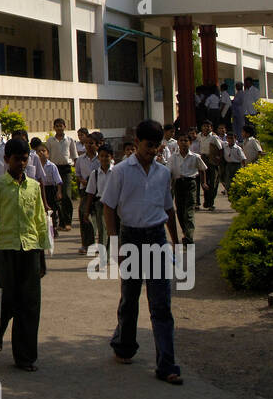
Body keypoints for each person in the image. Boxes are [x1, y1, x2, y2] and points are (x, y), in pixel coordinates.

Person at [102, 119, 182, 384]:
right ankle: (124, 345)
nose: (152, 151)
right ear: (137, 143)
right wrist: (115, 244)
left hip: (157, 237)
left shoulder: (162, 173)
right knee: (130, 298)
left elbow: (169, 209)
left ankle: (167, 365)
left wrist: (176, 241)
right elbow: (109, 208)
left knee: (161, 303)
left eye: (156, 147)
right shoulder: (121, 171)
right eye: (148, 146)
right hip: (131, 238)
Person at [0, 138, 51, 371]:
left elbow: (40, 221)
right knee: (8, 300)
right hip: (6, 250)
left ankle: (25, 357)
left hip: (30, 250)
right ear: (6, 160)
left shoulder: (33, 187)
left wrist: (42, 253)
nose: (21, 163)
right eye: (17, 159)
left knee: (30, 304)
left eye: (25, 159)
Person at [168, 133, 207, 245]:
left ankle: (189, 237)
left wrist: (203, 183)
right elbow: (169, 173)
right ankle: (186, 232)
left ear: (190, 143)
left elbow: (202, 169)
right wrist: (169, 186)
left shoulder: (195, 157)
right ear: (178, 143)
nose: (184, 143)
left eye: (186, 141)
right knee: (180, 211)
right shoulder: (173, 158)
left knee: (189, 211)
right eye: (181, 140)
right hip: (178, 184)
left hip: (191, 184)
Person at [46, 118, 79, 231]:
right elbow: (47, 157)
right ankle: (60, 223)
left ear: (65, 127)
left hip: (66, 170)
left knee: (66, 196)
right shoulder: (50, 141)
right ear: (54, 127)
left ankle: (68, 222)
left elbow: (74, 157)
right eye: (57, 126)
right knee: (56, 197)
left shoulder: (69, 140)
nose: (59, 128)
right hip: (54, 169)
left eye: (61, 126)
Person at [85, 143, 116, 256]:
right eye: (101, 156)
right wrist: (87, 210)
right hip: (100, 204)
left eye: (106, 156)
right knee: (102, 230)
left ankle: (111, 254)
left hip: (114, 205)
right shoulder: (95, 174)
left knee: (112, 231)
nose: (104, 159)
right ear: (98, 157)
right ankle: (104, 257)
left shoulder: (116, 172)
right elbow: (90, 193)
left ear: (111, 157)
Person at [33, 139, 64, 248]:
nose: (41, 153)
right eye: (39, 151)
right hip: (40, 189)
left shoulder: (52, 166)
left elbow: (59, 181)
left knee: (52, 209)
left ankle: (54, 227)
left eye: (43, 151)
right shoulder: (35, 165)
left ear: (48, 153)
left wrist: (59, 192)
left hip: (50, 189)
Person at [74, 133, 100, 254]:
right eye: (86, 143)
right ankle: (87, 244)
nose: (88, 146)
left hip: (99, 191)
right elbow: (77, 174)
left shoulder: (101, 158)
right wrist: (82, 181)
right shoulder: (80, 159)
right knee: (84, 214)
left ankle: (102, 244)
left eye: (91, 143)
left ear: (97, 145)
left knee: (100, 217)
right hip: (85, 190)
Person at [192, 121, 223, 212]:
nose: (206, 128)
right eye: (204, 126)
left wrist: (218, 159)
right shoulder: (199, 136)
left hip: (212, 161)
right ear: (201, 127)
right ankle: (207, 200)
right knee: (204, 182)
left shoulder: (214, 137)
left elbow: (220, 149)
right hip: (202, 159)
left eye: (208, 126)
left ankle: (211, 203)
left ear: (211, 128)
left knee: (213, 182)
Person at [221, 131, 244, 196]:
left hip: (237, 165)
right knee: (228, 180)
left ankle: (236, 194)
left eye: (232, 138)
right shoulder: (225, 145)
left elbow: (243, 159)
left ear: (235, 139)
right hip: (228, 165)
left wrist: (243, 168)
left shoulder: (238, 148)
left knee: (236, 180)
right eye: (229, 138)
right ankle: (229, 193)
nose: (230, 140)